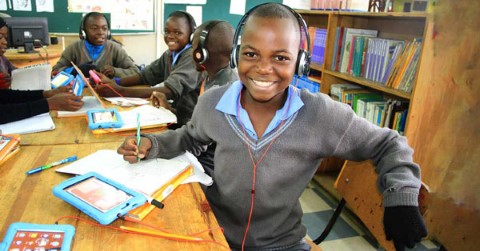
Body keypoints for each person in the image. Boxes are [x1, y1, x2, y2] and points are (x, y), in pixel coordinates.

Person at [117, 3, 427, 251]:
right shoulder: (212, 103)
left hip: (280, 244)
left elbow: (388, 144)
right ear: (237, 56)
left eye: (280, 57)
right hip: (213, 231)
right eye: (251, 54)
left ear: (300, 64)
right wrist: (153, 145)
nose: (264, 68)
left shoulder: (320, 115)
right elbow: (191, 136)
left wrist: (400, 196)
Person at [151, 20, 238, 174]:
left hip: (214, 166)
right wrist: (169, 109)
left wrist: (153, 144)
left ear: (201, 54)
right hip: (204, 151)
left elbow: (198, 140)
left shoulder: (222, 91)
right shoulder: (214, 78)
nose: (191, 52)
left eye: (194, 47)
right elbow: (200, 125)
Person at [94, 10, 204, 127]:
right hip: (175, 113)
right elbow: (146, 75)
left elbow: (169, 91)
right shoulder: (170, 54)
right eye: (167, 32)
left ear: (192, 36)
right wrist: (115, 82)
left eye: (177, 32)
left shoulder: (192, 57)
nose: (170, 36)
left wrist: (118, 91)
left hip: (189, 122)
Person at [52, 12, 139, 78]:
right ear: (84, 31)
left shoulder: (115, 48)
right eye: (94, 28)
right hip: (82, 93)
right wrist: (75, 70)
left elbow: (135, 71)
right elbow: (55, 71)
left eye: (104, 28)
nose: (101, 32)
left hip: (108, 93)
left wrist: (115, 71)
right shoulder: (74, 48)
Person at [0, 17, 15, 89]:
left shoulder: (2, 59)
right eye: (0, 37)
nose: (5, 42)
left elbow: (17, 72)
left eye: (5, 37)